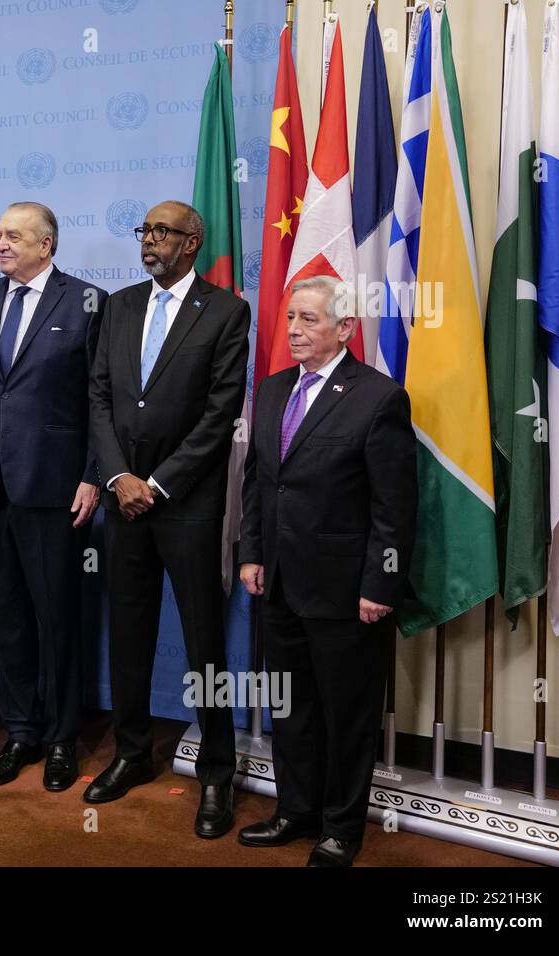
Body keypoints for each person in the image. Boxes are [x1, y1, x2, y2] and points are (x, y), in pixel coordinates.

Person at [237, 276, 416, 867]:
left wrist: (379, 585)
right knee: (291, 706)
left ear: (345, 328)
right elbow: (260, 483)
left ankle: (341, 827)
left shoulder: (377, 397)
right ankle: (295, 810)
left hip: (346, 593)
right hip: (279, 584)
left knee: (347, 714)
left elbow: (394, 506)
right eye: (291, 318)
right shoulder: (269, 391)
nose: (293, 330)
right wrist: (252, 552)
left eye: (309, 320)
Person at [87, 200, 249, 838]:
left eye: (162, 232)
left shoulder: (227, 312)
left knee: (205, 642)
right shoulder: (120, 306)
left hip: (187, 506)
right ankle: (131, 753)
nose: (150, 241)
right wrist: (119, 477)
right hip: (121, 499)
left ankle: (215, 773)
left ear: (193, 242)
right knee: (127, 632)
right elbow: (98, 395)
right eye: (145, 231)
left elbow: (220, 412)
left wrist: (156, 483)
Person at [0, 202, 105, 792]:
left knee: (56, 618)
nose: (0, 244)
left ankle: (63, 737)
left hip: (56, 488)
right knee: (8, 617)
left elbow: (102, 398)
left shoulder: (89, 301)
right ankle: (21, 730)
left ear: (47, 245)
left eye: (13, 236)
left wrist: (94, 474)